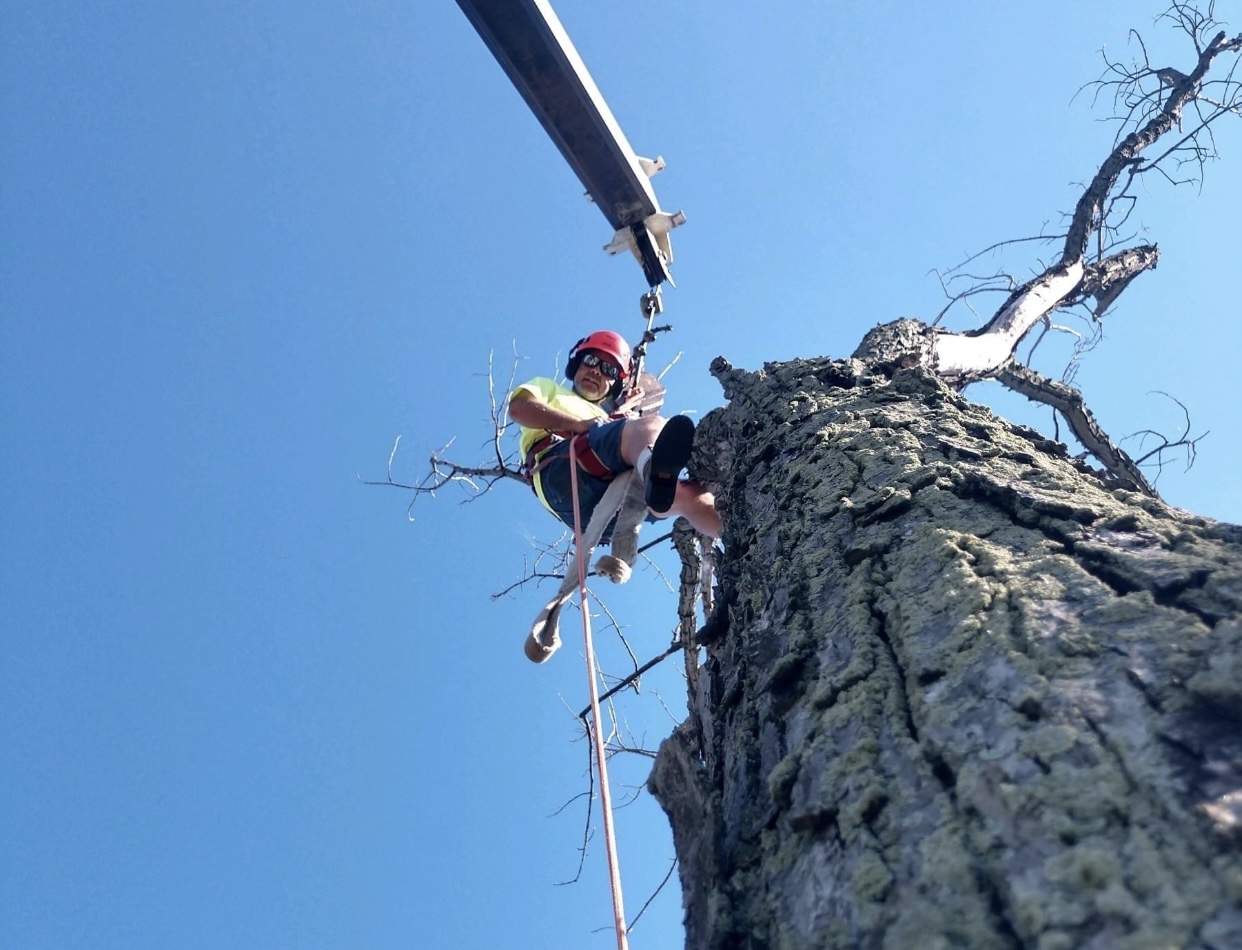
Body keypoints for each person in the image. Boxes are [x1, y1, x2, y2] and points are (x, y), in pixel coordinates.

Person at [509, 329, 722, 539]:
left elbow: (618, 429)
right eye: (591, 360)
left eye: (609, 371)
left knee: (691, 494)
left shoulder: (607, 418)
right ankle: (651, 476)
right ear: (577, 364)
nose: (596, 371)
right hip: (562, 469)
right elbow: (519, 408)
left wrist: (627, 408)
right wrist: (579, 424)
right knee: (651, 426)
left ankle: (739, 540)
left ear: (614, 385)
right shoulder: (551, 389)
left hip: (607, 516)